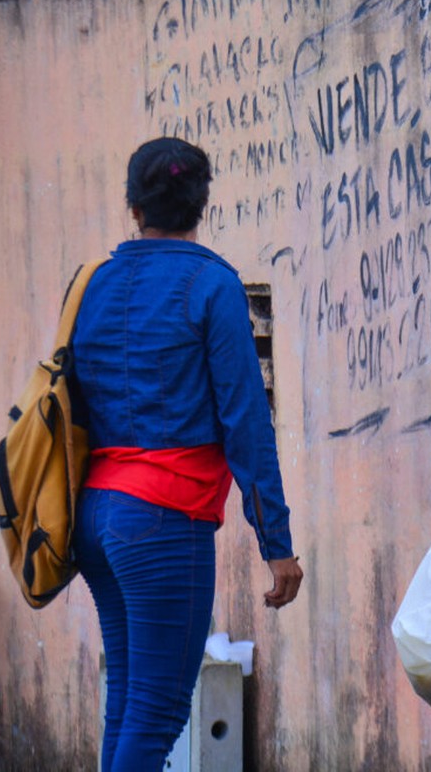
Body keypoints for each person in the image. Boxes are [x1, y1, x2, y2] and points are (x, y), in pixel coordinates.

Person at [69, 137, 304, 771]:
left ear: (131, 203)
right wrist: (275, 540)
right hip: (164, 521)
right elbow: (246, 423)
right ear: (203, 202)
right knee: (161, 709)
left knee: (128, 702)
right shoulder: (211, 284)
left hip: (94, 517)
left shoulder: (92, 283)